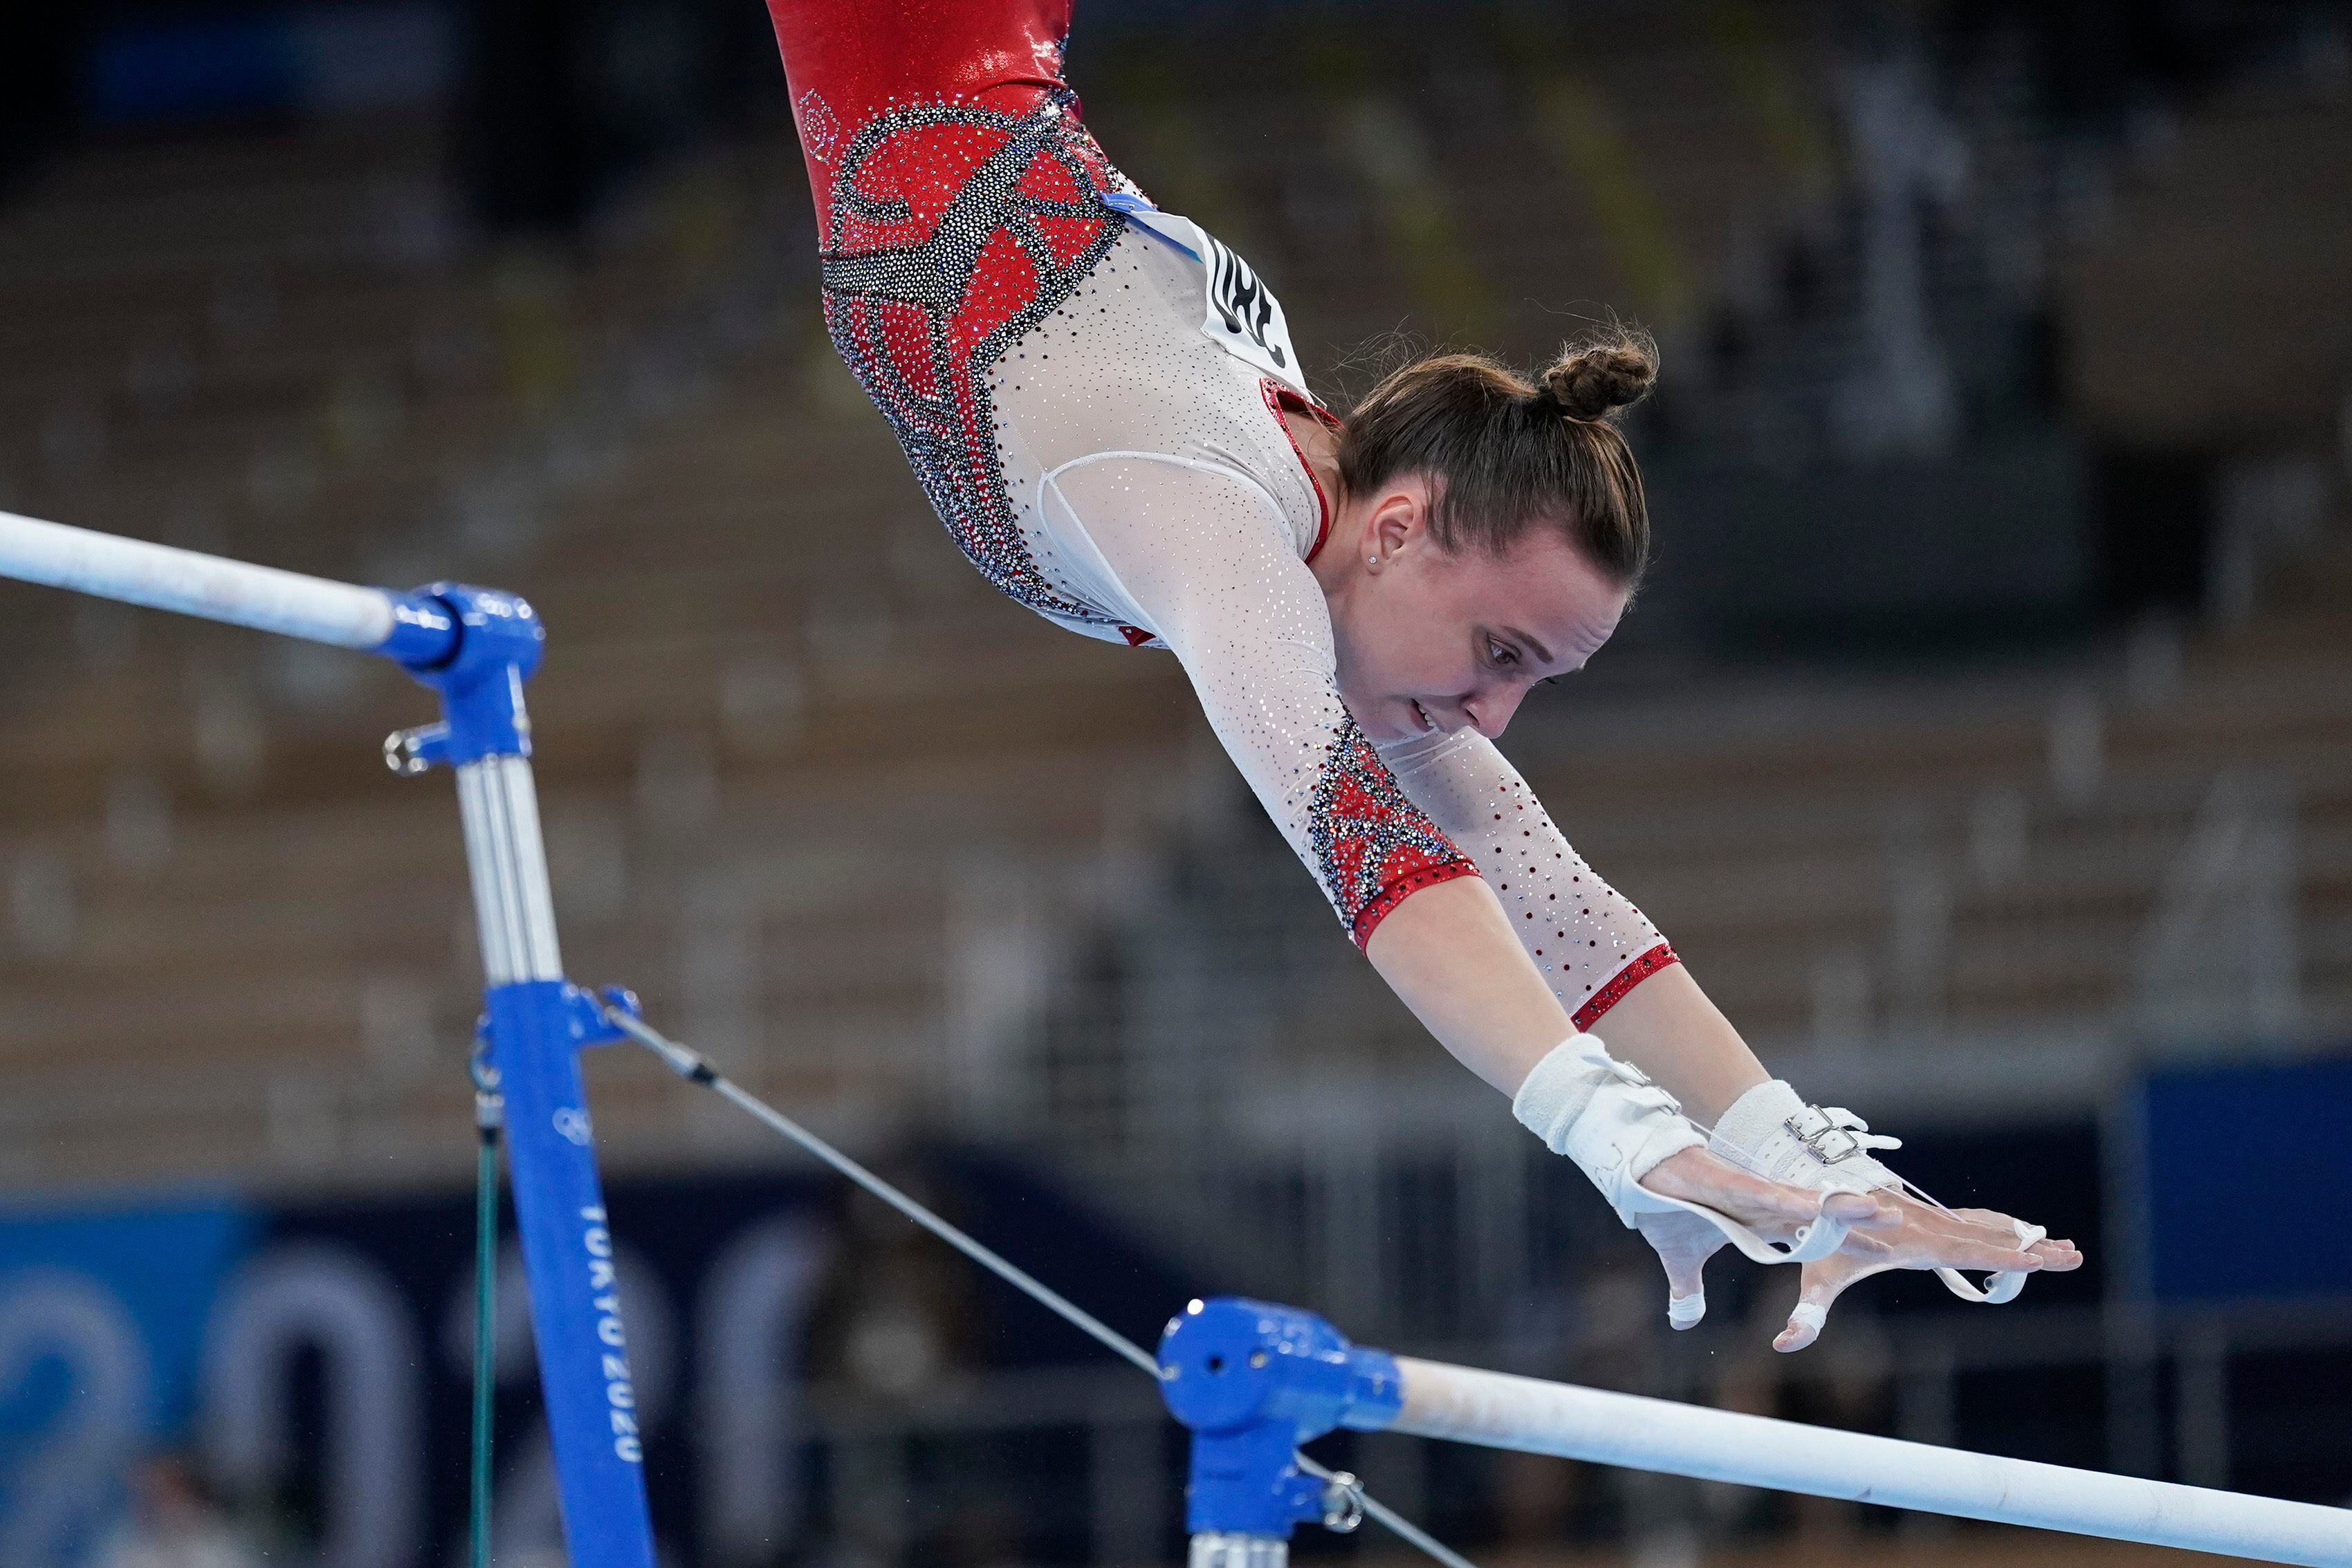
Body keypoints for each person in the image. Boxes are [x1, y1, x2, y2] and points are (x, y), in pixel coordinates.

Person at [758, 0, 2079, 1350]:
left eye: (1530, 680)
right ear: (1398, 529)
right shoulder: (1202, 509)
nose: (1490, 714)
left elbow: (1536, 873)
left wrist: (1803, 1162)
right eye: (1497, 654)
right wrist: (1609, 1129)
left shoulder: (1342, 529)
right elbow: (1362, 842)